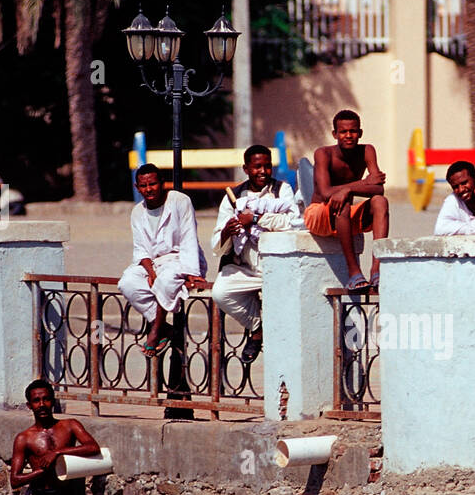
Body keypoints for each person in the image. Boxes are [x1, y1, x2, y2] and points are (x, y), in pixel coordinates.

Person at [211, 144, 304, 363]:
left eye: (267, 166)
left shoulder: (282, 190)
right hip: (245, 268)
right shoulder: (232, 196)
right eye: (257, 166)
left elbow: (293, 222)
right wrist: (227, 232)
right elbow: (217, 243)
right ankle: (256, 329)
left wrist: (255, 219)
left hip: (278, 269)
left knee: (289, 315)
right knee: (220, 292)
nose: (263, 171)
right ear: (246, 169)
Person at [117, 164, 208, 356]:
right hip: (154, 263)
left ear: (162, 183)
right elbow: (140, 249)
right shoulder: (137, 212)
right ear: (137, 187)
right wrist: (151, 273)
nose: (148, 189)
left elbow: (188, 236)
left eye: (152, 184)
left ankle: (156, 331)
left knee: (166, 281)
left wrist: (193, 273)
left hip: (180, 258)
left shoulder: (179, 201)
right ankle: (164, 327)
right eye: (143, 186)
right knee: (127, 282)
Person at [305, 110, 390, 290]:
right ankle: (354, 273)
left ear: (360, 133)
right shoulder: (323, 154)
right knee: (341, 203)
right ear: (335, 134)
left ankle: (377, 270)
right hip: (318, 214)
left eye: (353, 131)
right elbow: (326, 192)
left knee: (380, 202)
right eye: (343, 132)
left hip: (343, 217)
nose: (348, 136)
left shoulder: (367, 150)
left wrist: (348, 189)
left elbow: (378, 188)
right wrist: (363, 183)